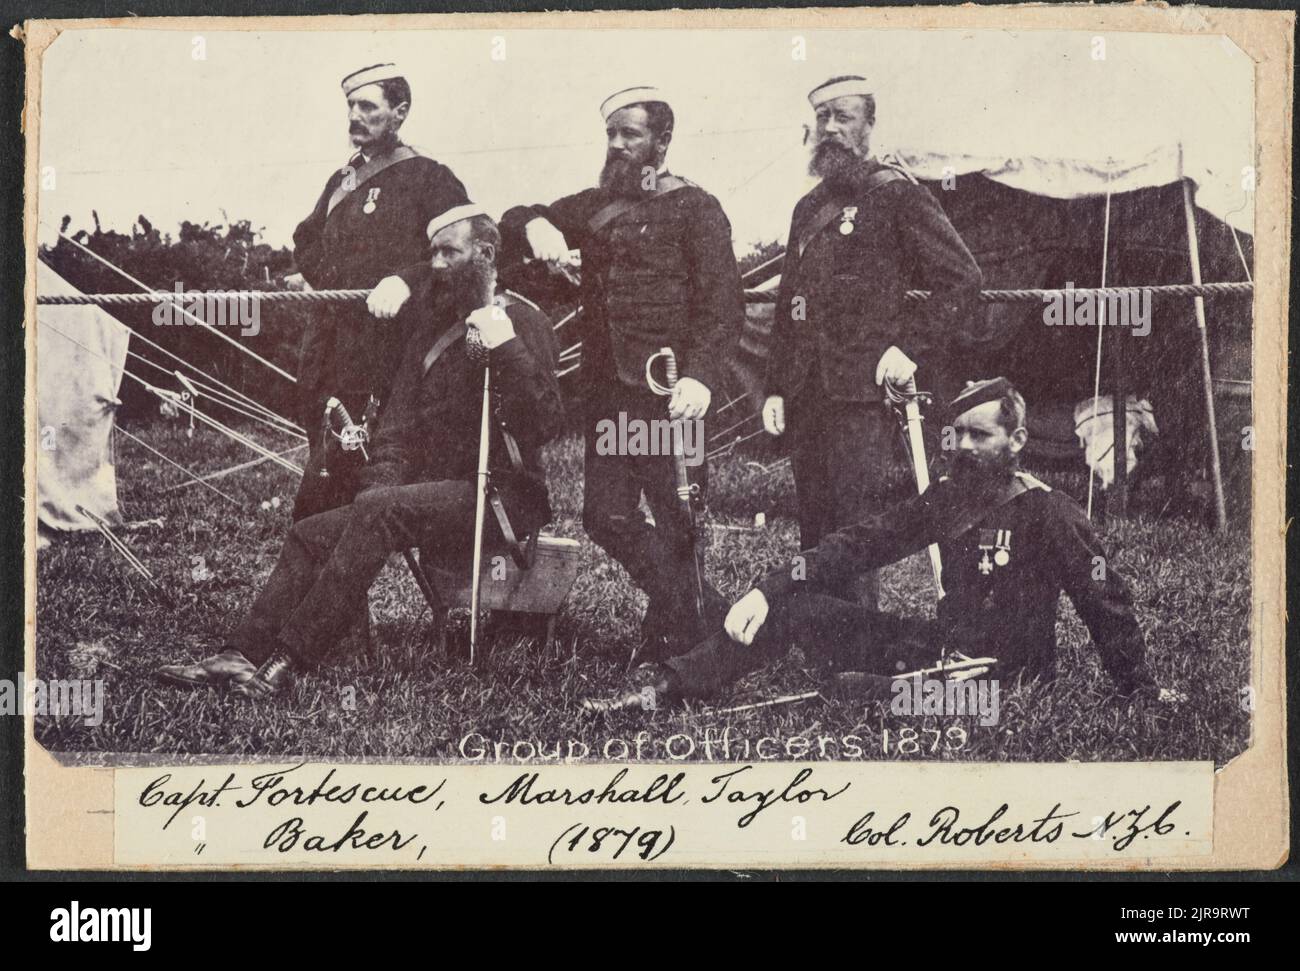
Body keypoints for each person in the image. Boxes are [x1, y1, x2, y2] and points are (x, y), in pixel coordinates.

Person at [156, 207, 563, 697]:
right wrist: (374, 492)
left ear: (486, 254)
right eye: (431, 252)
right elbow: (397, 429)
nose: (435, 264)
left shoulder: (523, 321)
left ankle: (287, 661)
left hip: (502, 498)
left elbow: (546, 423)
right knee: (311, 533)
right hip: (436, 497)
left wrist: (509, 348)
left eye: (449, 252)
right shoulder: (433, 331)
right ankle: (240, 653)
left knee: (379, 508)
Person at [590, 378, 1169, 709]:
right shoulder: (947, 499)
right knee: (798, 607)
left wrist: (1139, 687)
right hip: (943, 648)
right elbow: (859, 545)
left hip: (1002, 679)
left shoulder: (1049, 511)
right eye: (958, 433)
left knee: (851, 693)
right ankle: (666, 685)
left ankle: (877, 693)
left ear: (1017, 439)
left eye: (981, 435)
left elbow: (1106, 602)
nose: (964, 446)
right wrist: (768, 588)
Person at [500, 86, 745, 659]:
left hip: (669, 394)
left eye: (629, 134)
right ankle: (710, 616)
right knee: (605, 516)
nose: (616, 145)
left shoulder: (697, 208)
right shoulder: (592, 205)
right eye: (610, 134)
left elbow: (723, 303)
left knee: (677, 518)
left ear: (661, 141)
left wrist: (703, 376)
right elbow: (511, 220)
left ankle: (675, 638)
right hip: (610, 397)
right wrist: (538, 225)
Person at [762, 74, 983, 611]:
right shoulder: (806, 210)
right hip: (807, 393)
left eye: (844, 117)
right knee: (813, 521)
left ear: (869, 125)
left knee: (854, 528)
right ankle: (819, 637)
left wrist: (908, 347)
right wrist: (775, 387)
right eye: (823, 118)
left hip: (861, 394)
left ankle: (856, 648)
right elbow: (790, 308)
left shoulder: (899, 196)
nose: (832, 129)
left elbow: (962, 279)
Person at [288, 62, 472, 521]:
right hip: (329, 354)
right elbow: (305, 241)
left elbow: (466, 252)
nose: (354, 115)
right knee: (330, 487)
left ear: (399, 112)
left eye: (367, 105)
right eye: (350, 105)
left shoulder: (429, 177)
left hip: (388, 359)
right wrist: (332, 287)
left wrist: (406, 279)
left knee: (329, 499)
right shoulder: (341, 181)